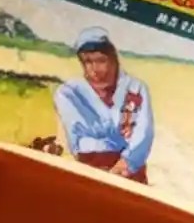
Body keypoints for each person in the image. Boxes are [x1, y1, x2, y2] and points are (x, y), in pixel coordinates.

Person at [53, 26, 154, 184]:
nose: (95, 69)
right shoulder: (69, 93)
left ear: (113, 59)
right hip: (89, 165)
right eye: (87, 61)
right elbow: (78, 138)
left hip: (130, 168)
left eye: (101, 60)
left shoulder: (135, 88)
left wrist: (127, 163)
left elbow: (144, 132)